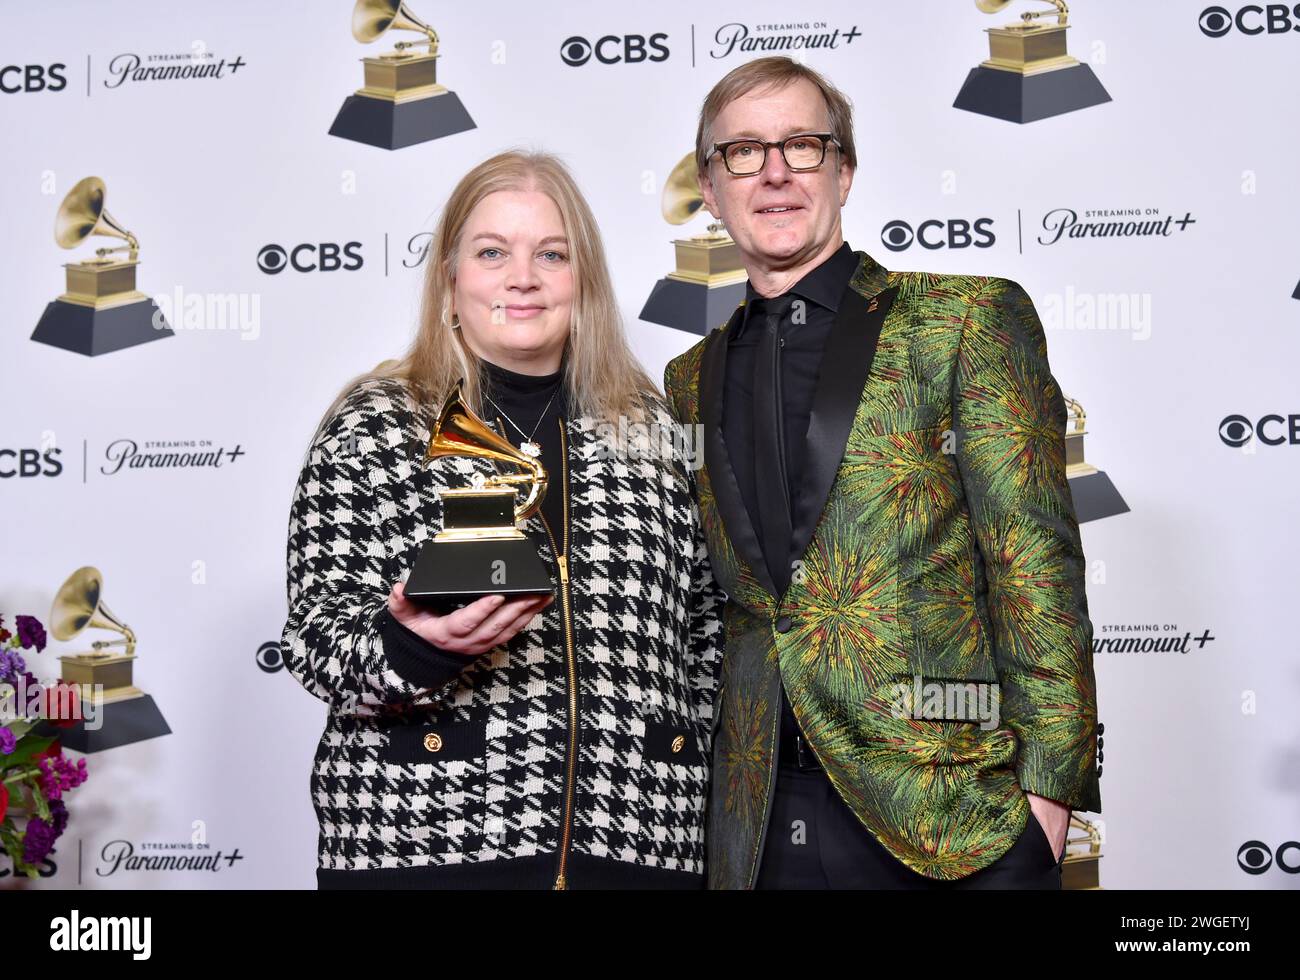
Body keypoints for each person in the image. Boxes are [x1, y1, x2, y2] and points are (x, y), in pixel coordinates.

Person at [663, 56, 1102, 889]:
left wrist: (1047, 800)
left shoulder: (962, 319)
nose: (777, 172)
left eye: (803, 144)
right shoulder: (688, 379)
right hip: (755, 824)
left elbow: (1032, 560)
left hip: (948, 815)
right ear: (712, 192)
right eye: (744, 152)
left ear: (845, 171)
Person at [282, 150, 724, 889]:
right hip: (426, 845)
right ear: (451, 278)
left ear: (582, 280)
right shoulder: (375, 424)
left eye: (551, 253)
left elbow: (706, 629)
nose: (524, 276)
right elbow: (314, 644)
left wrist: (672, 768)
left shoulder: (657, 429)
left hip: (639, 849)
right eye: (493, 252)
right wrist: (413, 648)